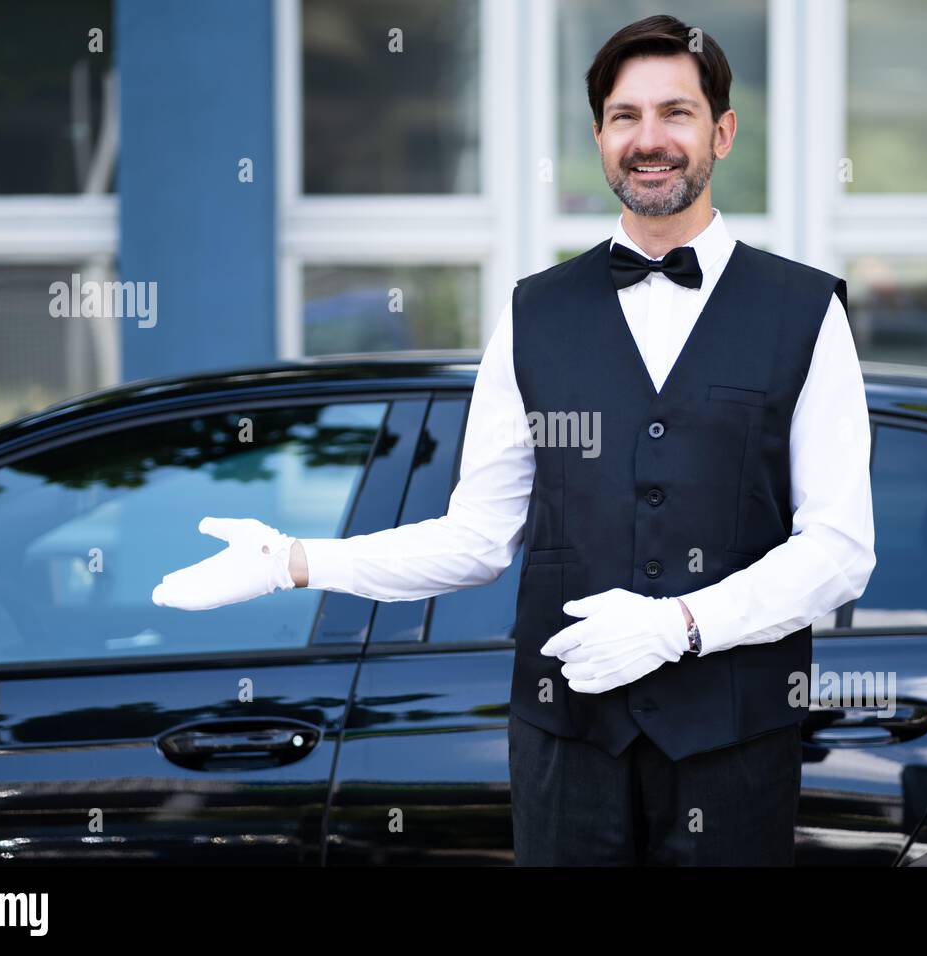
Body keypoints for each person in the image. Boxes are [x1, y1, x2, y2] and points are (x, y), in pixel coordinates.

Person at [152, 13, 875, 866]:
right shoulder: (534, 313)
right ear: (600, 136)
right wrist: (293, 562)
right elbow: (476, 540)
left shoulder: (804, 311)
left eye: (676, 113)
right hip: (566, 751)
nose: (650, 139)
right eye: (625, 116)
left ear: (721, 131)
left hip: (733, 752)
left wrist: (683, 623)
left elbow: (839, 549)